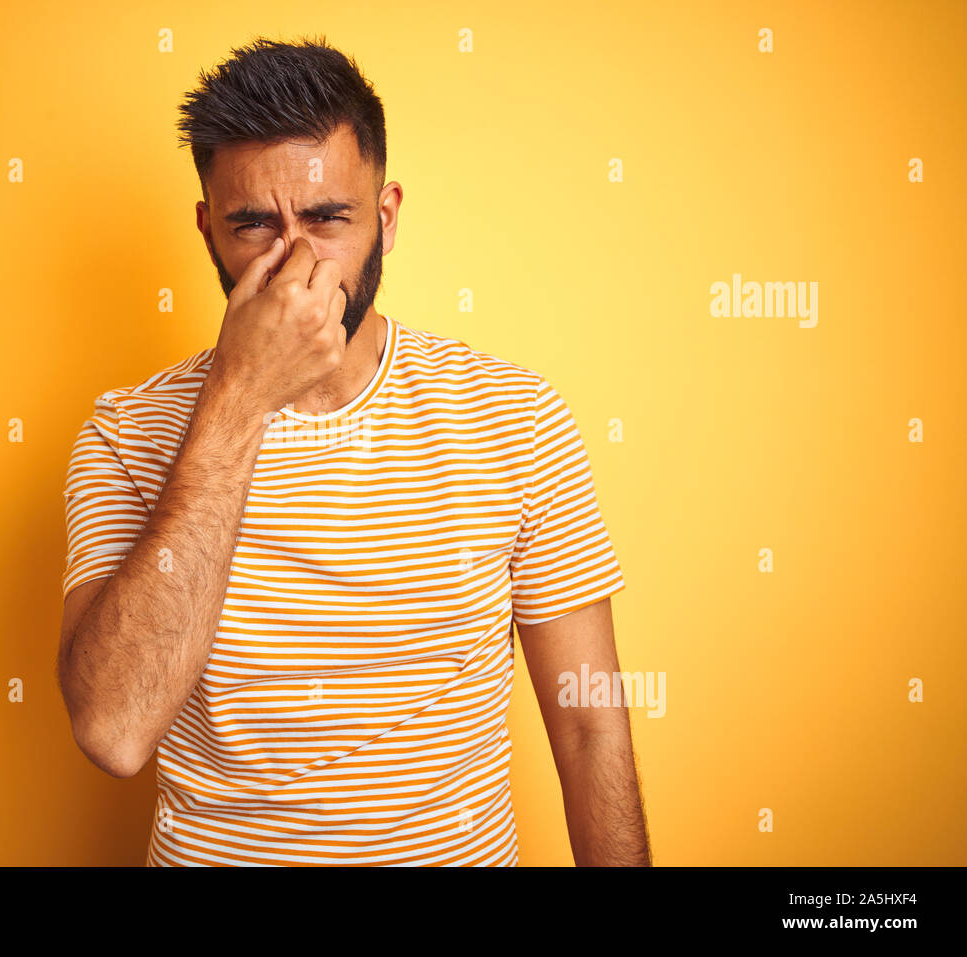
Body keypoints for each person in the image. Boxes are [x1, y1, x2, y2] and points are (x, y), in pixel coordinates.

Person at [57, 35, 650, 867]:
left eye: (328, 218)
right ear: (206, 231)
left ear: (386, 216)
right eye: (253, 225)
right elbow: (115, 730)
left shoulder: (515, 417)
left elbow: (590, 726)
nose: (296, 259)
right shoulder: (127, 433)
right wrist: (238, 398)